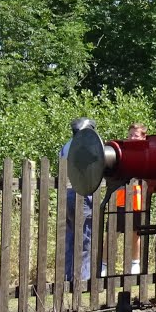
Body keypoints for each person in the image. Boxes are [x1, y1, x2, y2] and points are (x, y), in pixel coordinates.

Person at [61, 118, 94, 283]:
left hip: (68, 193)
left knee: (70, 236)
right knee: (85, 238)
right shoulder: (85, 147)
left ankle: (68, 276)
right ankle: (82, 278)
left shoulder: (67, 146)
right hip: (82, 194)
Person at [113, 123, 148, 274]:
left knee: (136, 233)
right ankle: (104, 265)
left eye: (136, 135)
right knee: (112, 233)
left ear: (143, 137)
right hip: (120, 199)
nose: (132, 137)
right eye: (130, 134)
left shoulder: (146, 153)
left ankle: (135, 263)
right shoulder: (123, 151)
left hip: (137, 201)